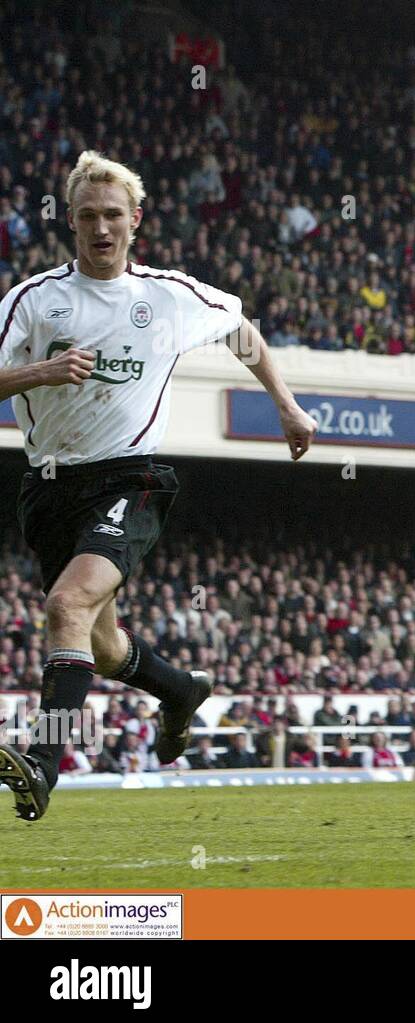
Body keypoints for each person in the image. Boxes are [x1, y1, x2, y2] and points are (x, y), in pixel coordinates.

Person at [0, 152, 316, 821]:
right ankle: (179, 690)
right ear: (71, 223)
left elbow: (239, 329)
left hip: (131, 477)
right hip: (50, 486)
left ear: (135, 220)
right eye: (87, 215)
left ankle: (42, 761)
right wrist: (41, 373)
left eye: (113, 214)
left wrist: (286, 404)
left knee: (65, 606)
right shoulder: (34, 300)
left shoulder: (166, 296)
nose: (101, 227)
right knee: (101, 641)